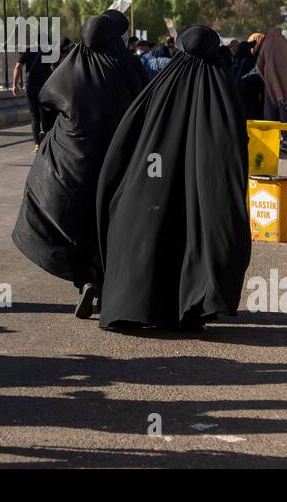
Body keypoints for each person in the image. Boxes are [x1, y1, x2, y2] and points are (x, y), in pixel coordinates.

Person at [97, 25, 250, 331]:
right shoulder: (220, 85)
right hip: (197, 190)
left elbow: (130, 133)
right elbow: (231, 144)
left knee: (154, 234)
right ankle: (189, 308)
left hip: (154, 179)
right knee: (190, 237)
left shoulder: (164, 83)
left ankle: (138, 308)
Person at [12, 10, 146, 318]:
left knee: (77, 220)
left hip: (75, 162)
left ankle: (85, 280)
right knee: (113, 223)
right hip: (119, 159)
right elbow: (144, 104)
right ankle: (108, 284)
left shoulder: (72, 65)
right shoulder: (129, 65)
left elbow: (47, 100)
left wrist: (49, 132)